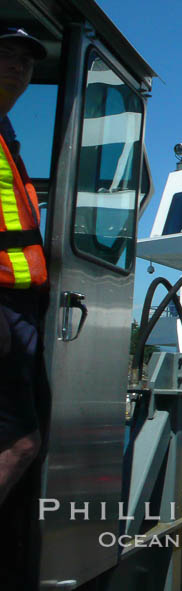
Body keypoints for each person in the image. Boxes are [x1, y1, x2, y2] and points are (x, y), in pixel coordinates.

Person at [0, 25, 49, 507]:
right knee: (19, 443)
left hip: (20, 305)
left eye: (26, 61)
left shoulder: (6, 134)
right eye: (6, 55)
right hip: (4, 306)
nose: (18, 66)